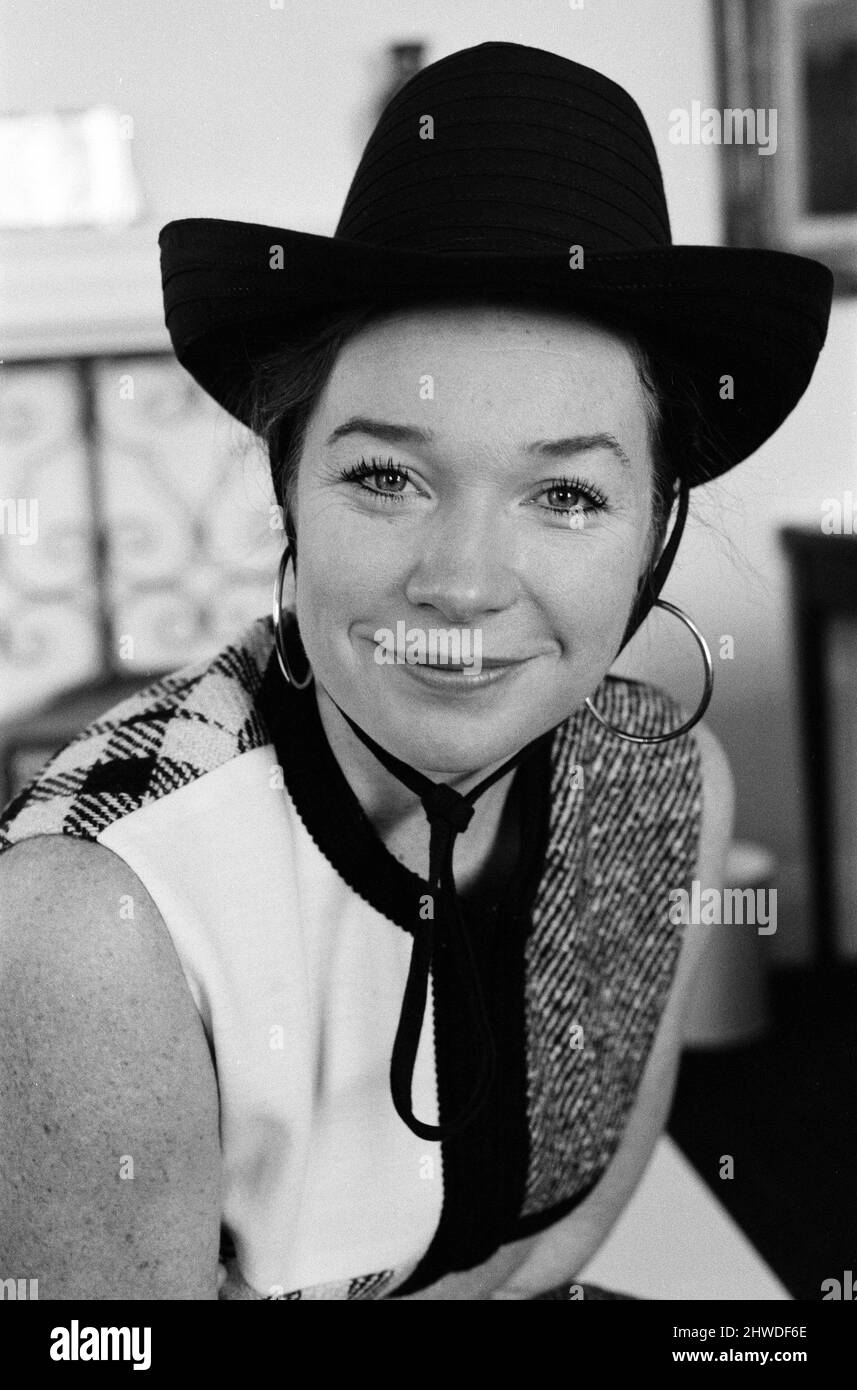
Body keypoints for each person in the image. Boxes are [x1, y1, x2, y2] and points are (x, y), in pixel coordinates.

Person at [0, 41, 832, 1300]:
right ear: (288, 485)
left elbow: (568, 1214)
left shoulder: (661, 794)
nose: (460, 582)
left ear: (656, 529)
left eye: (565, 492)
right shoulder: (93, 922)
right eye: (384, 475)